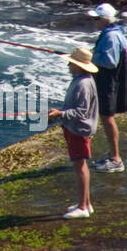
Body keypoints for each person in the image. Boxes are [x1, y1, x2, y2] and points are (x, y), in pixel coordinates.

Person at [48, 46, 99, 218]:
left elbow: (80, 113)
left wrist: (59, 114)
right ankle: (86, 203)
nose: (68, 65)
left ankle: (83, 208)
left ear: (79, 66)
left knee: (80, 166)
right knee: (81, 165)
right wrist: (60, 113)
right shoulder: (83, 79)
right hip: (78, 129)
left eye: (71, 63)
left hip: (79, 130)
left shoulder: (83, 84)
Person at [80, 2, 127, 172]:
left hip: (108, 82)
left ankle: (116, 159)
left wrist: (90, 58)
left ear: (104, 20)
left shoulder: (111, 36)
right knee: (104, 117)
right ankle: (112, 155)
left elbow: (109, 62)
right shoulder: (112, 33)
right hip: (108, 81)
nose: (93, 21)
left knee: (107, 118)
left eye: (96, 18)